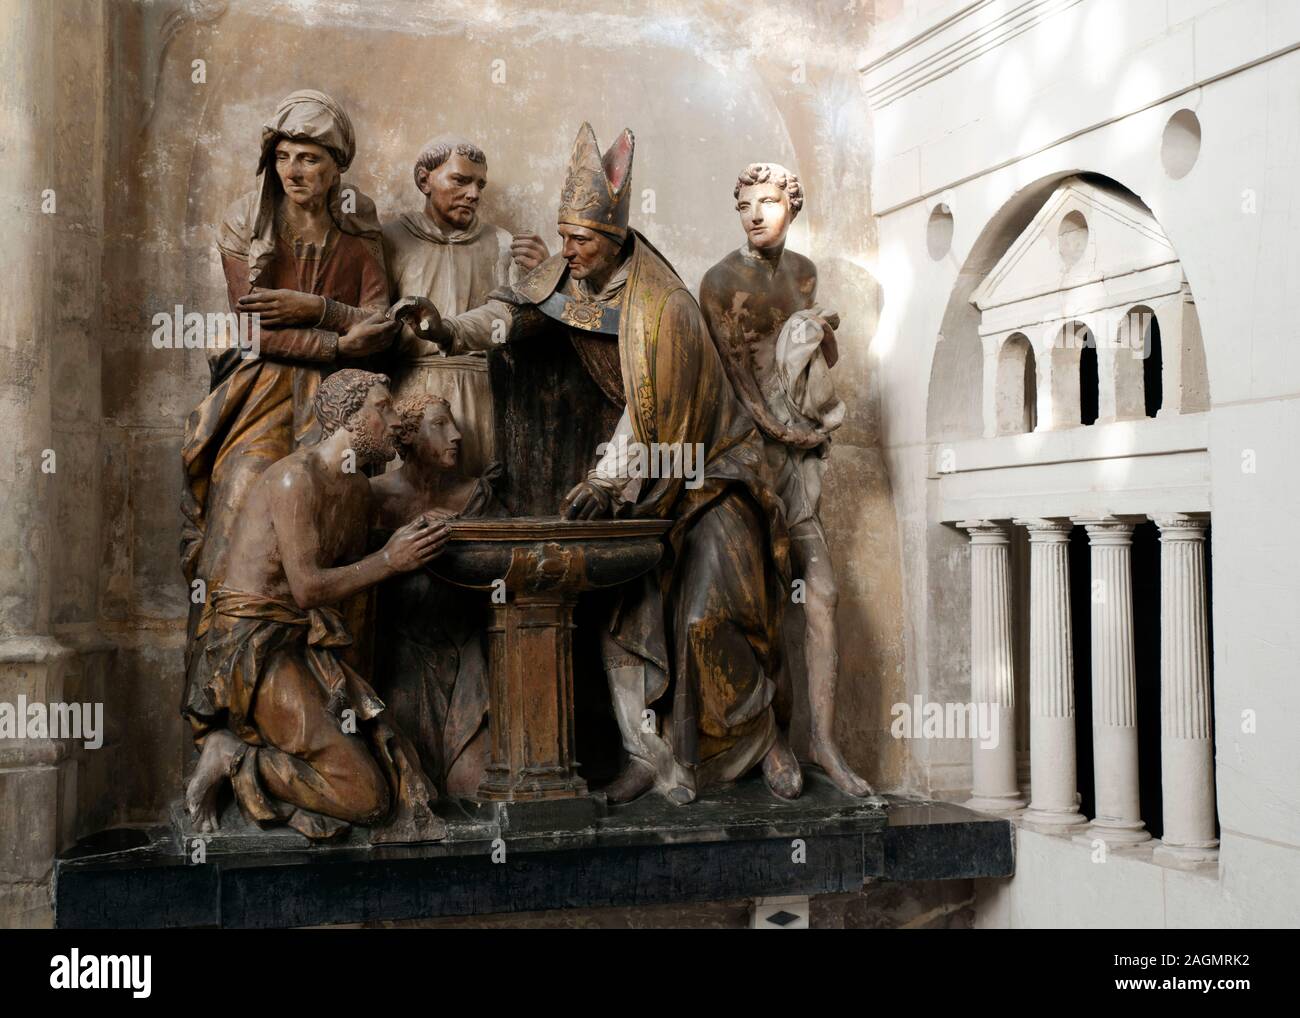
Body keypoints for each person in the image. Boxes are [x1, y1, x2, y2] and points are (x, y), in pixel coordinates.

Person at [410, 124, 802, 805]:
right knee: (626, 615)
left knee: (709, 616)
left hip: (710, 475)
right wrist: (448, 329)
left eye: (581, 238)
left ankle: (761, 737)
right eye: (564, 235)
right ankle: (648, 755)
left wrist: (602, 480)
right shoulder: (569, 276)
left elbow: (654, 418)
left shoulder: (664, 308)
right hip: (645, 490)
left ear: (616, 238)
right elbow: (512, 318)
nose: (567, 250)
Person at [182, 89, 400, 734]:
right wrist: (337, 339)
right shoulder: (247, 227)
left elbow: (381, 325)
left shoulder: (359, 229)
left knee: (344, 521)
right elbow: (253, 332)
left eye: (309, 158)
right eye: (282, 157)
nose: (294, 172)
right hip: (261, 394)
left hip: (338, 402)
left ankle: (335, 715)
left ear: (337, 167)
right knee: (237, 508)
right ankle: (225, 714)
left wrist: (318, 311)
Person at [184, 369, 448, 842]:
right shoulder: (295, 479)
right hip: (251, 647)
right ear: (349, 416)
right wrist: (391, 559)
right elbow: (308, 588)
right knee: (367, 798)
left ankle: (248, 756)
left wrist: (421, 534)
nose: (395, 423)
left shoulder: (357, 490)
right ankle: (237, 758)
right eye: (383, 408)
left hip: (306, 644)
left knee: (396, 771)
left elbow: (352, 569)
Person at [699, 163, 874, 797]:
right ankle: (769, 744)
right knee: (760, 604)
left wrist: (816, 340)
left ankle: (824, 743)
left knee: (820, 594)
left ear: (790, 206)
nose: (754, 213)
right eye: (744, 203)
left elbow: (801, 359)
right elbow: (734, 379)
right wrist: (783, 431)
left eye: (768, 202)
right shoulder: (719, 280)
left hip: (799, 453)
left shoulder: (803, 272)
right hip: (745, 455)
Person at [383, 136, 548, 477]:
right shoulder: (390, 240)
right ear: (423, 179)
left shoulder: (502, 244)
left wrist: (545, 279)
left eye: (480, 184)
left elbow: (521, 327)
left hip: (483, 394)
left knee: (479, 497)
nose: (474, 194)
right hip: (410, 392)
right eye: (460, 180)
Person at [371, 394, 500, 797]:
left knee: (474, 786)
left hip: (467, 653)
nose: (457, 436)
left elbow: (512, 558)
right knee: (409, 785)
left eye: (454, 425)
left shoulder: (475, 495)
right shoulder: (373, 496)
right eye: (441, 425)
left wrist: (465, 537)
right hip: (400, 656)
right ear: (407, 436)